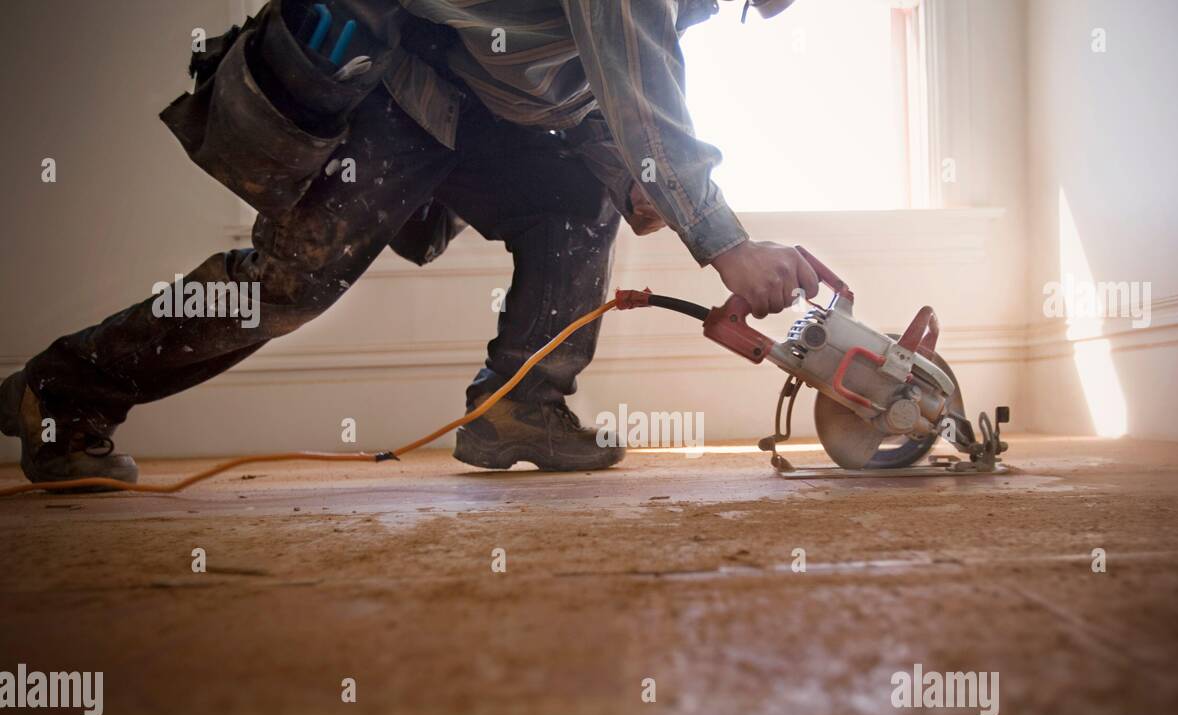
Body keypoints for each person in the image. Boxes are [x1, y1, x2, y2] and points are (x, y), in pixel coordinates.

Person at [0, 0, 817, 483]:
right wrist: (726, 243)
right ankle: (63, 394)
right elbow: (645, 92)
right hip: (407, 78)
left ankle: (518, 406)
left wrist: (657, 196)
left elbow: (598, 90)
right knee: (291, 283)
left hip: (490, 106)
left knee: (576, 197)